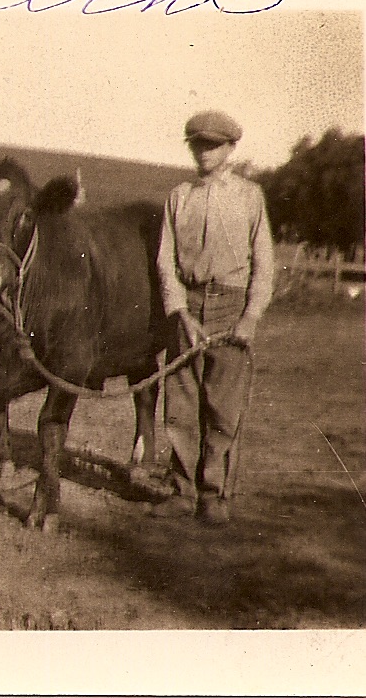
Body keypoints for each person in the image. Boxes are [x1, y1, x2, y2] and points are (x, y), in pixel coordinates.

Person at [152, 110, 275, 525]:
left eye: (214, 145)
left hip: (231, 305)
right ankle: (181, 489)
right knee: (181, 402)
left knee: (222, 406)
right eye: (198, 145)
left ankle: (213, 494)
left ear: (230, 149)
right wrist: (178, 309)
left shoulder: (249, 197)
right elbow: (165, 261)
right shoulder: (179, 196)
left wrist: (250, 318)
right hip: (188, 305)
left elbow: (264, 264)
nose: (205, 153)